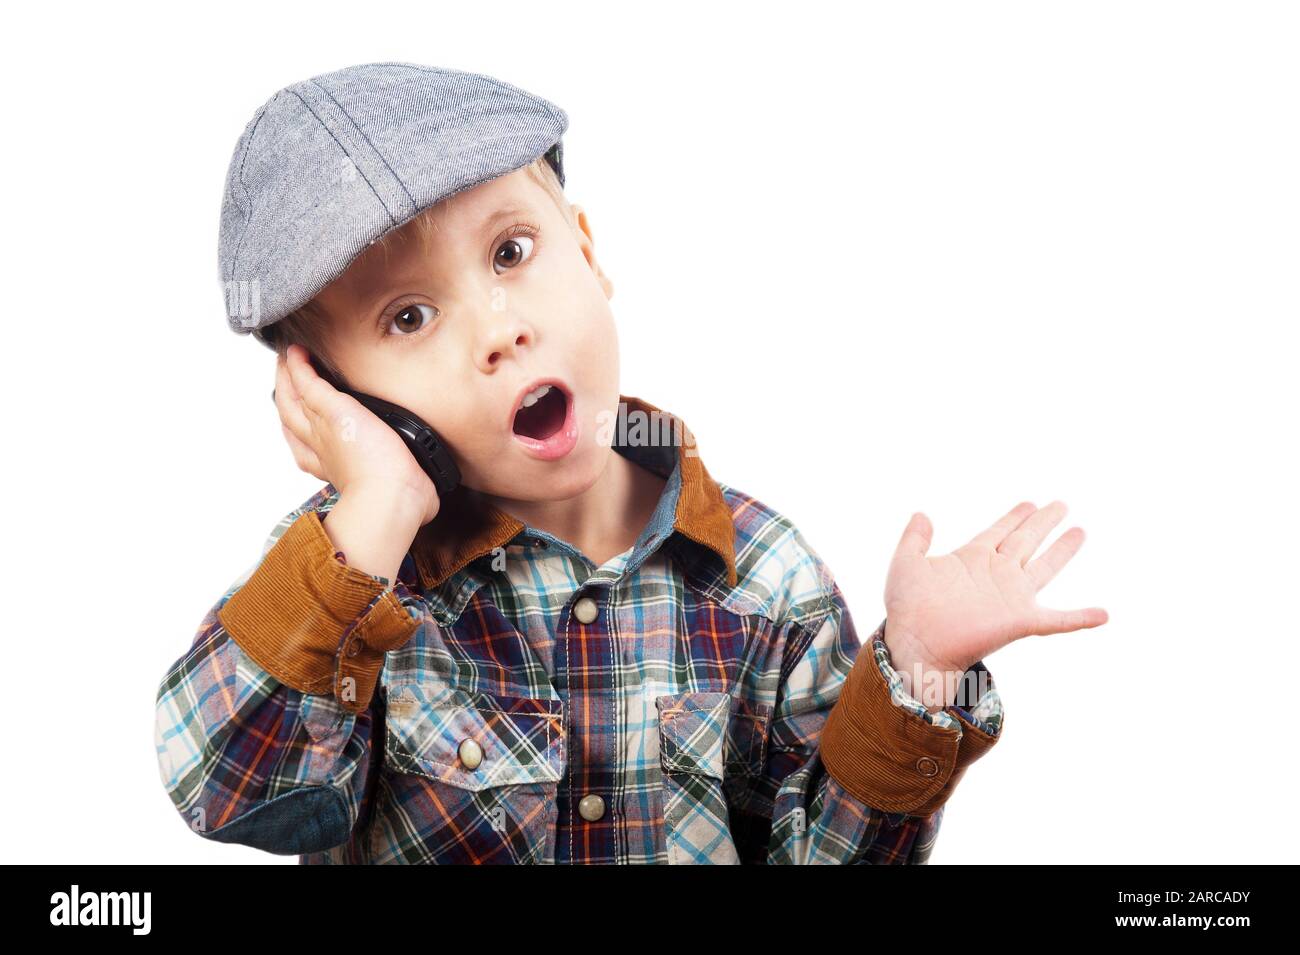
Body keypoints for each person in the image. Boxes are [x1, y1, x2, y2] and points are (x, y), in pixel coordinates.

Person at [153, 62, 1106, 864]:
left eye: (512, 250)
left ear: (589, 252)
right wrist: (374, 506)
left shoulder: (764, 576)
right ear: (332, 395)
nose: (499, 329)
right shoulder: (349, 577)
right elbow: (229, 787)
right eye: (408, 317)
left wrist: (920, 670)